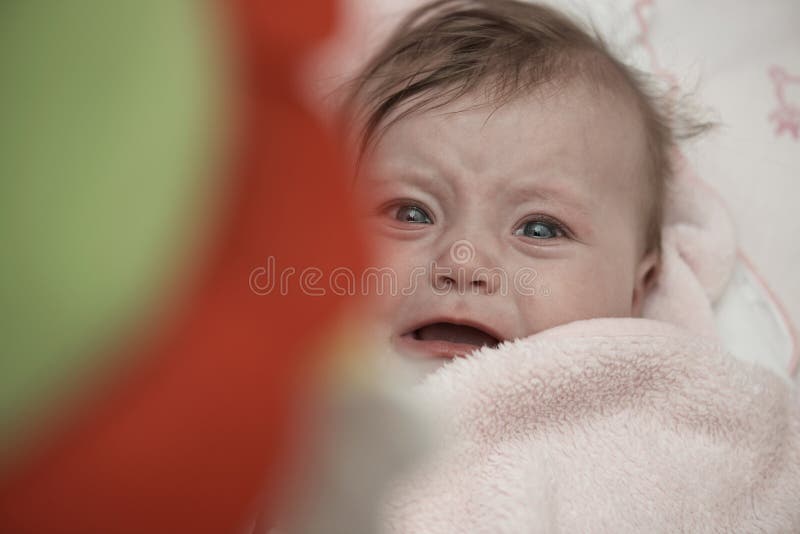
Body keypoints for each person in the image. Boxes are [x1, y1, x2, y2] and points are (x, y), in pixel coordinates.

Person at [341, 0, 698, 375]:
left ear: (636, 291)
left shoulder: (665, 412)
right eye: (411, 214)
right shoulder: (306, 391)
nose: (464, 265)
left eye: (539, 229)